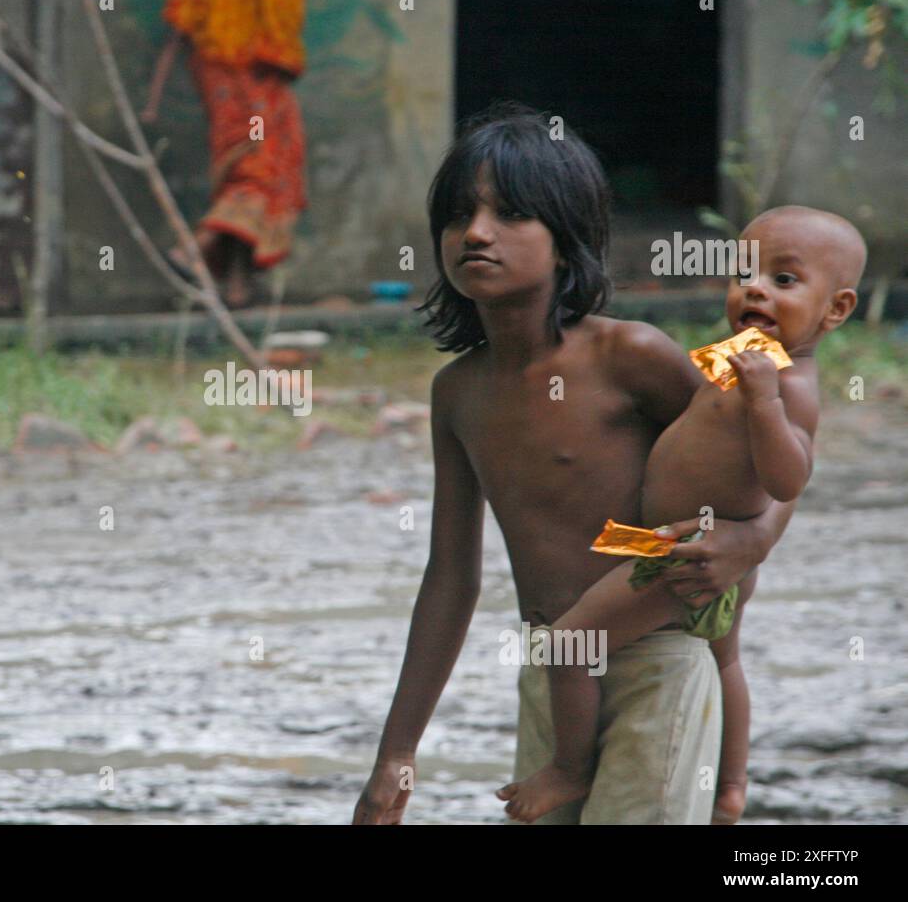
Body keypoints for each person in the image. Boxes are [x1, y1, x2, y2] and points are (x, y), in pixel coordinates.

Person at [351, 104, 796, 825]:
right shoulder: (458, 392)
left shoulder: (632, 356)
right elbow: (450, 576)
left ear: (566, 242)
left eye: (511, 215)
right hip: (552, 675)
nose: (477, 233)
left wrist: (757, 538)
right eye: (459, 215)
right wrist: (396, 754)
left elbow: (766, 451)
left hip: (656, 664)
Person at [496, 206, 865, 825]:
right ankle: (730, 789)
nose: (754, 289)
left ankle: (568, 770)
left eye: (784, 280)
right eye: (744, 273)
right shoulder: (746, 355)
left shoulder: (788, 384)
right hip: (673, 546)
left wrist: (765, 405)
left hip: (682, 557)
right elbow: (688, 402)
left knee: (566, 645)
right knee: (726, 663)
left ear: (836, 310)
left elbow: (789, 478)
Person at [144, 0, 309, 308]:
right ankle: (196, 247)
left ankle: (238, 286)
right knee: (263, 164)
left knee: (244, 164)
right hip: (254, 58)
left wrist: (189, 14)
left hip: (215, 54)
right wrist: (280, 48)